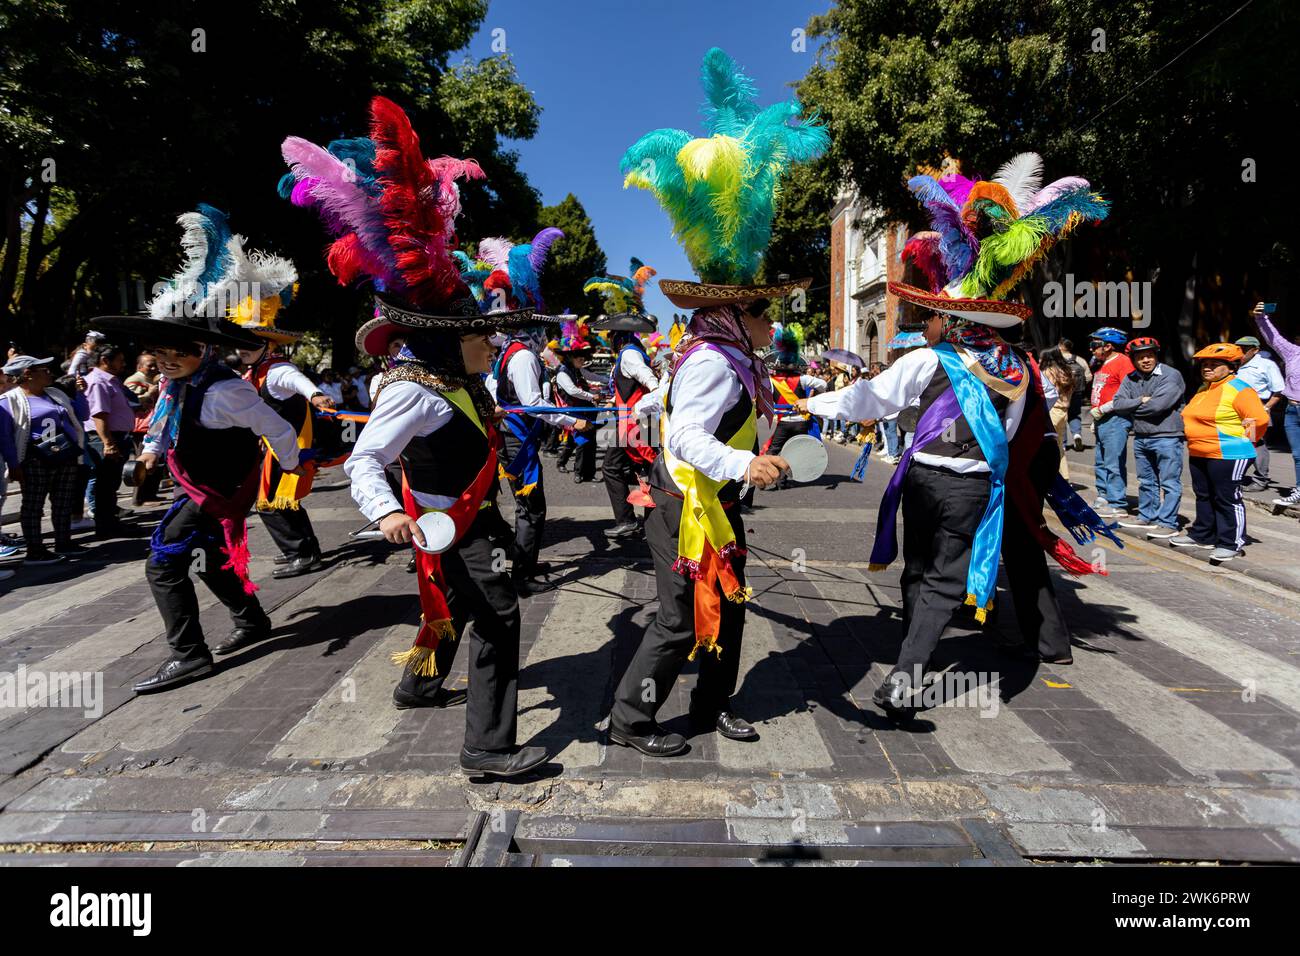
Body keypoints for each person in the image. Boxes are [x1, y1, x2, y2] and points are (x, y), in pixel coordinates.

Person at [291, 94, 549, 776]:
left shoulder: (458, 383)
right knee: (497, 618)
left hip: (463, 523)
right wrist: (382, 514)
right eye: (480, 336)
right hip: (452, 527)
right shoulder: (413, 389)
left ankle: (419, 683)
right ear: (448, 338)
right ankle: (488, 749)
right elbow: (365, 458)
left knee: (459, 608)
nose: (490, 346)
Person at [806, 149, 1112, 714]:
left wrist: (805, 399)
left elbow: (868, 399)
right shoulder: (1019, 368)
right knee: (939, 574)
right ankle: (921, 644)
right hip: (973, 488)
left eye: (932, 316)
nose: (926, 323)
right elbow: (1017, 434)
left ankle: (907, 671)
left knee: (929, 574)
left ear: (955, 319)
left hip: (925, 481)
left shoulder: (931, 361)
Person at [609, 47, 823, 755]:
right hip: (685, 504)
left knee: (729, 605)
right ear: (742, 315)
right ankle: (632, 718)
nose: (776, 328)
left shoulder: (734, 358)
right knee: (676, 619)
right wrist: (745, 466)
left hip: (714, 500)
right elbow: (682, 440)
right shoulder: (713, 362)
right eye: (770, 317)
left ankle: (710, 707)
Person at [93, 204, 309, 692]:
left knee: (164, 563)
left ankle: (189, 655)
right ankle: (251, 620)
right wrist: (151, 451)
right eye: (161, 352)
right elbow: (166, 421)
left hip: (216, 487)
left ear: (204, 350)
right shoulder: (179, 386)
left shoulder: (224, 390)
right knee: (208, 558)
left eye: (180, 351)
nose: (168, 360)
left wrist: (291, 468)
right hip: (197, 484)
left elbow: (276, 428)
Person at [231, 252, 335, 581]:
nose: (242, 350)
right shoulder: (253, 373)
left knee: (271, 503)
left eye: (249, 344)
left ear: (266, 344)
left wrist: (316, 395)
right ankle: (304, 549)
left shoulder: (277, 371)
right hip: (270, 448)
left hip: (284, 449)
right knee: (284, 502)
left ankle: (302, 554)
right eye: (240, 345)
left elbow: (299, 381)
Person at [1170, 343, 1269, 561]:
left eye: (1214, 364)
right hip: (1199, 452)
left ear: (1231, 366)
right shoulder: (1204, 389)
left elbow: (1259, 419)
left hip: (1229, 454)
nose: (1207, 368)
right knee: (1204, 496)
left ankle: (1231, 542)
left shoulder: (1239, 388)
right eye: (1205, 364)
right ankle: (1203, 535)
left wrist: (1248, 442)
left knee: (1227, 499)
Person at [588, 260, 661, 538]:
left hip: (635, 422)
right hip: (632, 420)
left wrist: (644, 413)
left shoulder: (629, 354)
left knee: (611, 467)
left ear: (618, 336)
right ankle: (652, 520)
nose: (609, 341)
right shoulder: (628, 353)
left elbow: (652, 385)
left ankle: (628, 520)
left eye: (611, 336)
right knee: (644, 467)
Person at [1, 354, 86, 563]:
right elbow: (5, 437)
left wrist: (81, 394)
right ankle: (35, 549)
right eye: (44, 370)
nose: (49, 373)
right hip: (34, 458)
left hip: (64, 453)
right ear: (27, 374)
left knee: (63, 501)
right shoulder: (9, 401)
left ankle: (64, 541)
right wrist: (13, 464)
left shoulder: (55, 393)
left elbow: (82, 414)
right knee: (33, 504)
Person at [1108, 337, 1185, 538]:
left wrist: (1132, 408)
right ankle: (1147, 515)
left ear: (1156, 356)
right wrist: (1141, 400)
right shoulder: (1130, 377)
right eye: (1140, 357)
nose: (1145, 360)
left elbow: (1158, 406)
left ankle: (1168, 522)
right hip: (1141, 436)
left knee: (1169, 482)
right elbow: (1117, 404)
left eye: (1149, 356)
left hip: (1167, 436)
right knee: (1146, 480)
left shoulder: (1171, 375)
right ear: (1133, 360)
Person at [81, 342, 137, 538]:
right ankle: (106, 526)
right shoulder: (98, 381)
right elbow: (99, 415)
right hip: (106, 438)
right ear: (105, 360)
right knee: (104, 485)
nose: (123, 364)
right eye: (119, 360)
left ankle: (111, 523)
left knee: (111, 484)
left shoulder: (111, 380)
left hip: (117, 437)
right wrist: (108, 442)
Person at [765, 323, 827, 489]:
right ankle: (782, 481)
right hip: (801, 422)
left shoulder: (772, 382)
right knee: (792, 451)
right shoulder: (803, 379)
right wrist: (812, 401)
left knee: (772, 451)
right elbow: (823, 385)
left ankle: (765, 477)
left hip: (784, 422)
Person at [1251, 302, 1300, 506]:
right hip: (1292, 410)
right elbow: (1274, 339)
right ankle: (1299, 490)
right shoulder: (1293, 353)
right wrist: (1260, 317)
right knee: (1298, 455)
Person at [1088, 326, 1135, 517]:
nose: (1091, 349)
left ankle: (1117, 502)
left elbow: (1128, 392)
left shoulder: (1123, 362)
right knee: (1100, 460)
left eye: (1094, 345)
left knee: (1113, 461)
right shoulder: (1103, 364)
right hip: (1101, 418)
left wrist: (1104, 408)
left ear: (1107, 346)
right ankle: (1103, 494)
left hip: (1115, 418)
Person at [551, 319, 601, 484]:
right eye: (579, 356)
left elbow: (591, 379)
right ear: (570, 357)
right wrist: (591, 396)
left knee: (590, 443)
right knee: (580, 443)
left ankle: (590, 472)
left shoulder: (577, 370)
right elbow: (572, 391)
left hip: (587, 411)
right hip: (575, 412)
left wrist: (607, 382)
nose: (583, 359)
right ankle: (578, 473)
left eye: (583, 355)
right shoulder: (562, 373)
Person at [1233, 334, 1284, 492]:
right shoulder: (1234, 363)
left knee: (1254, 442)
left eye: (1245, 348)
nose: (1241, 351)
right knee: (1237, 442)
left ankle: (1261, 479)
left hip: (1253, 409)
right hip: (1232, 409)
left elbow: (1279, 389)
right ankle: (1236, 475)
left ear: (1255, 350)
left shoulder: (1266, 365)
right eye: (1239, 347)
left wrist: (1266, 407)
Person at [1037, 347, 1076, 478]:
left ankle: (1052, 475)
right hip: (1064, 412)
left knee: (1048, 445)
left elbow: (1045, 391)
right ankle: (1064, 476)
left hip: (1052, 410)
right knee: (1059, 445)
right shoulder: (1068, 371)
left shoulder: (1048, 372)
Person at [1058, 337, 1092, 450]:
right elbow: (1088, 376)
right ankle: (1077, 435)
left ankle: (1062, 444)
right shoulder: (1080, 359)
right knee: (1075, 414)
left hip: (1060, 394)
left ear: (1060, 346)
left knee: (1061, 416)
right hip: (1077, 392)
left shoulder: (1056, 359)